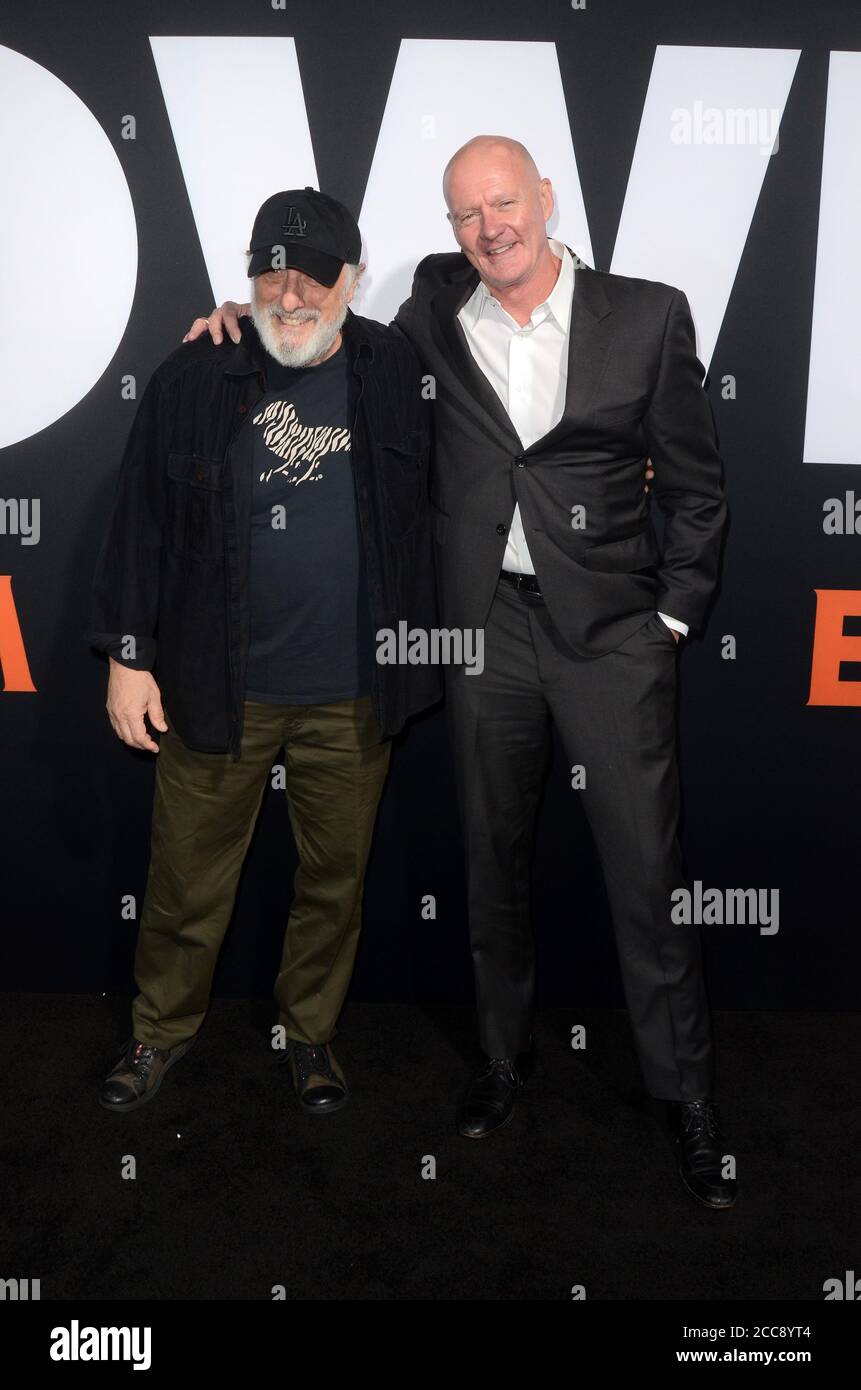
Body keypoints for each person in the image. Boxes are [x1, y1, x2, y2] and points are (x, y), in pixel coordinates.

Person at [187, 137, 734, 1210]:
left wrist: (672, 614)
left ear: (546, 199)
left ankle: (690, 1100)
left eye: (504, 203)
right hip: (483, 632)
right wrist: (239, 317)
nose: (490, 227)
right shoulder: (437, 307)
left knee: (647, 878)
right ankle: (501, 1060)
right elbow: (318, 322)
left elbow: (701, 486)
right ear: (450, 233)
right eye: (466, 214)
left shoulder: (650, 313)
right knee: (493, 870)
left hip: (613, 635)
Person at [86, 188, 441, 1116]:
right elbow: (139, 524)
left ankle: (312, 1035)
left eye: (313, 278)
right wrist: (130, 655)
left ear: (350, 280)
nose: (290, 297)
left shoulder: (399, 369)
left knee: (334, 883)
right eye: (271, 276)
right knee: (183, 883)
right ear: (249, 278)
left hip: (354, 693)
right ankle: (157, 1034)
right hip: (215, 687)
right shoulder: (194, 375)